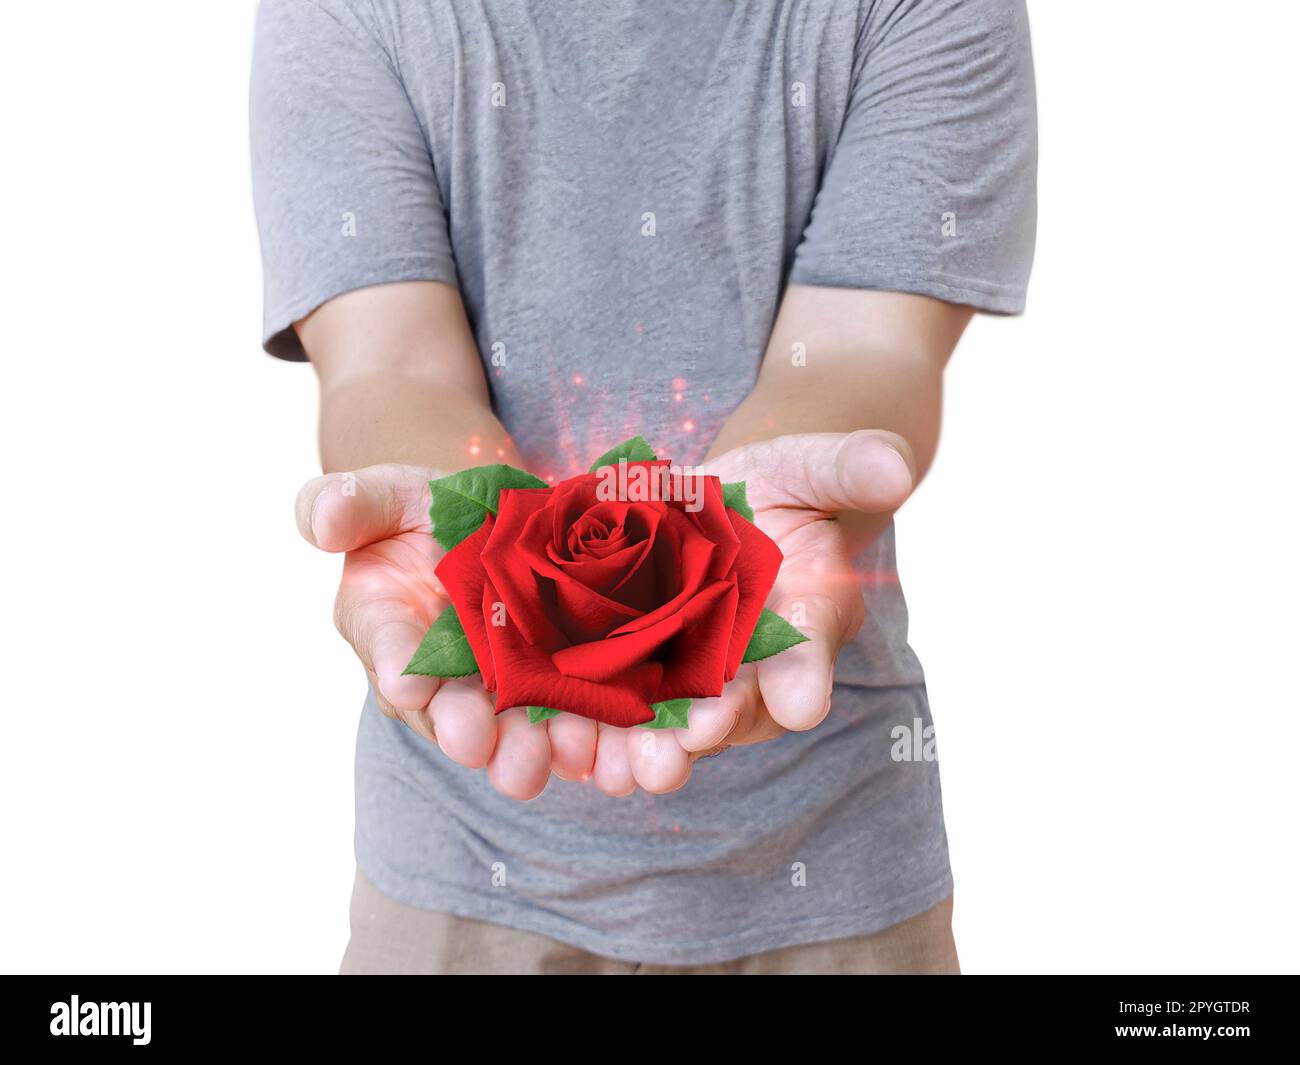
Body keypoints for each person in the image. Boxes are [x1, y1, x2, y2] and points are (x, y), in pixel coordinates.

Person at [250, 0, 1036, 975]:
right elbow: (388, 366)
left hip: (836, 870)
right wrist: (455, 521)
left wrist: (755, 526)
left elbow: (863, 347)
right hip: (456, 873)